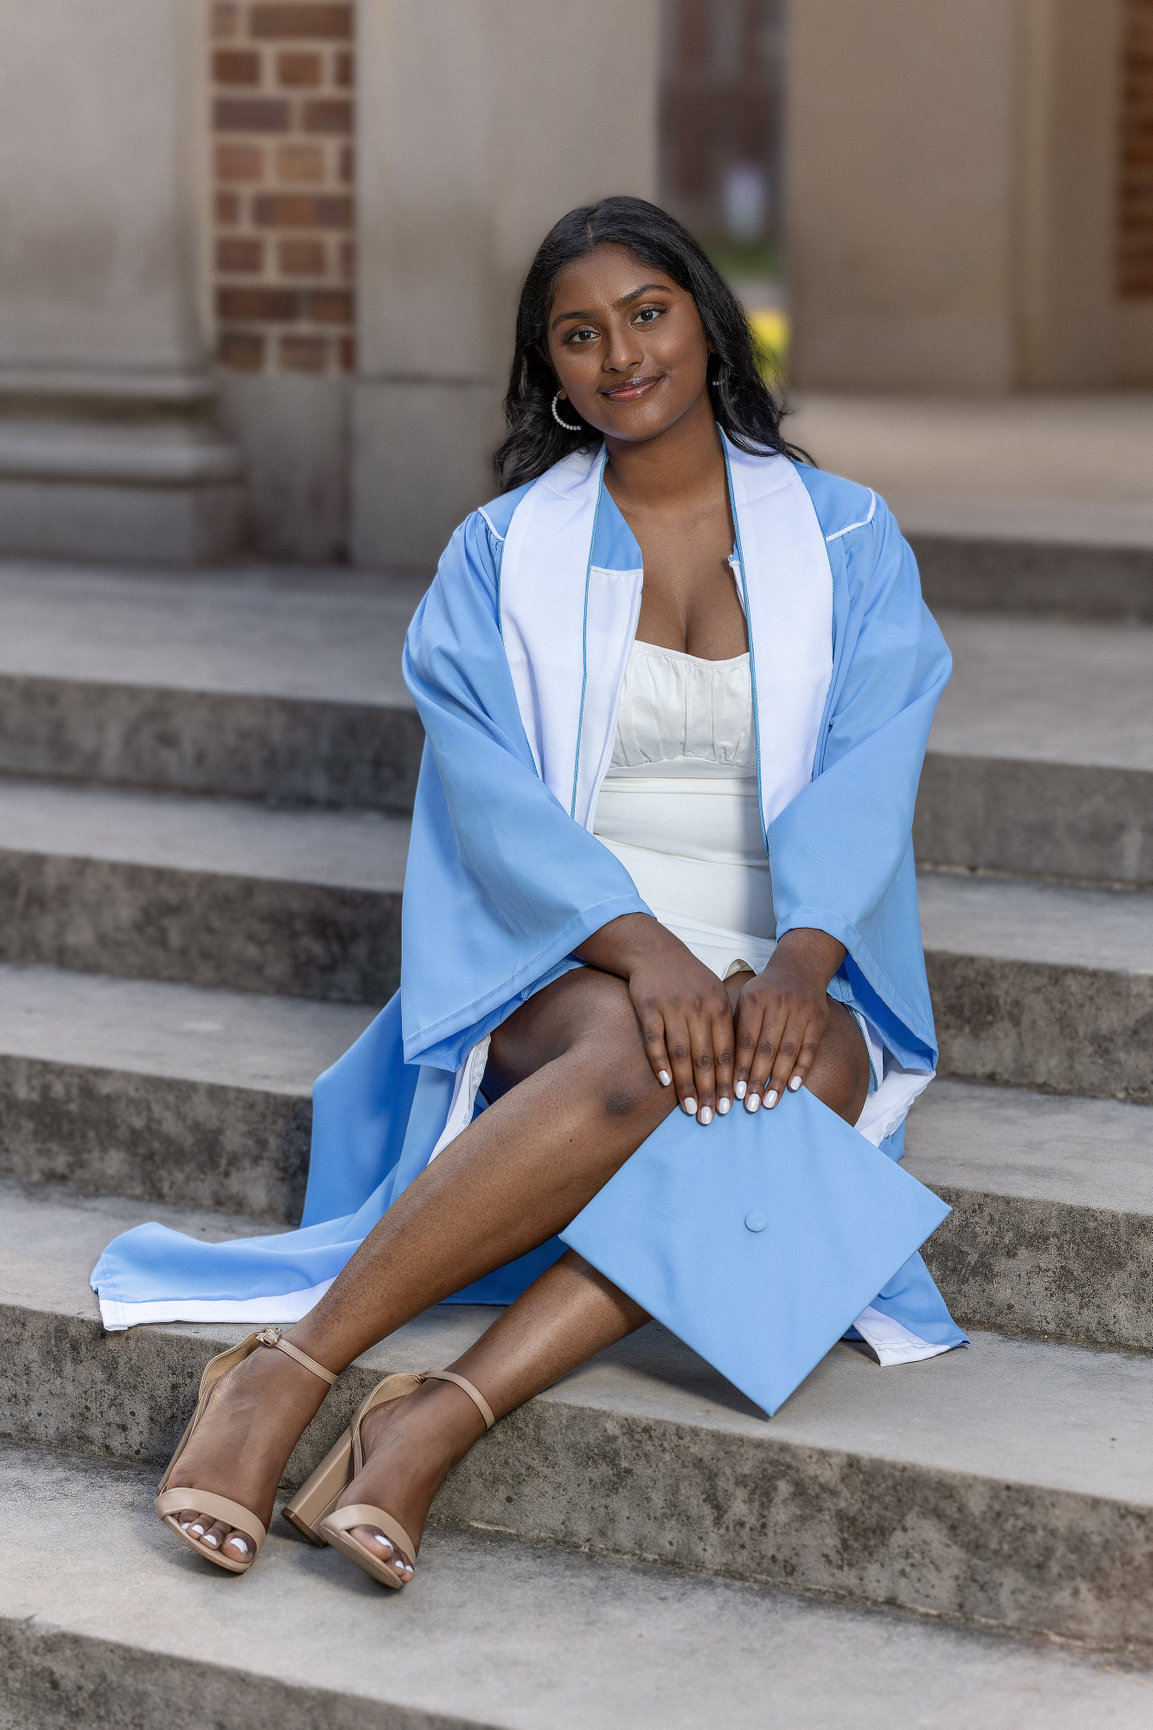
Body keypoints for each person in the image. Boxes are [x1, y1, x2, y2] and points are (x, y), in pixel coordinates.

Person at [93, 196, 964, 1589]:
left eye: (647, 312)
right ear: (546, 370)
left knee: (790, 1091)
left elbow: (872, 761)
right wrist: (644, 949)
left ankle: (437, 1412)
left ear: (704, 320)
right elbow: (489, 795)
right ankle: (285, 1369)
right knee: (637, 1059)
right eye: (578, 333)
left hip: (794, 931)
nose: (620, 353)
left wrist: (798, 965)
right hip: (568, 939)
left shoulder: (847, 540)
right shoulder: (502, 553)